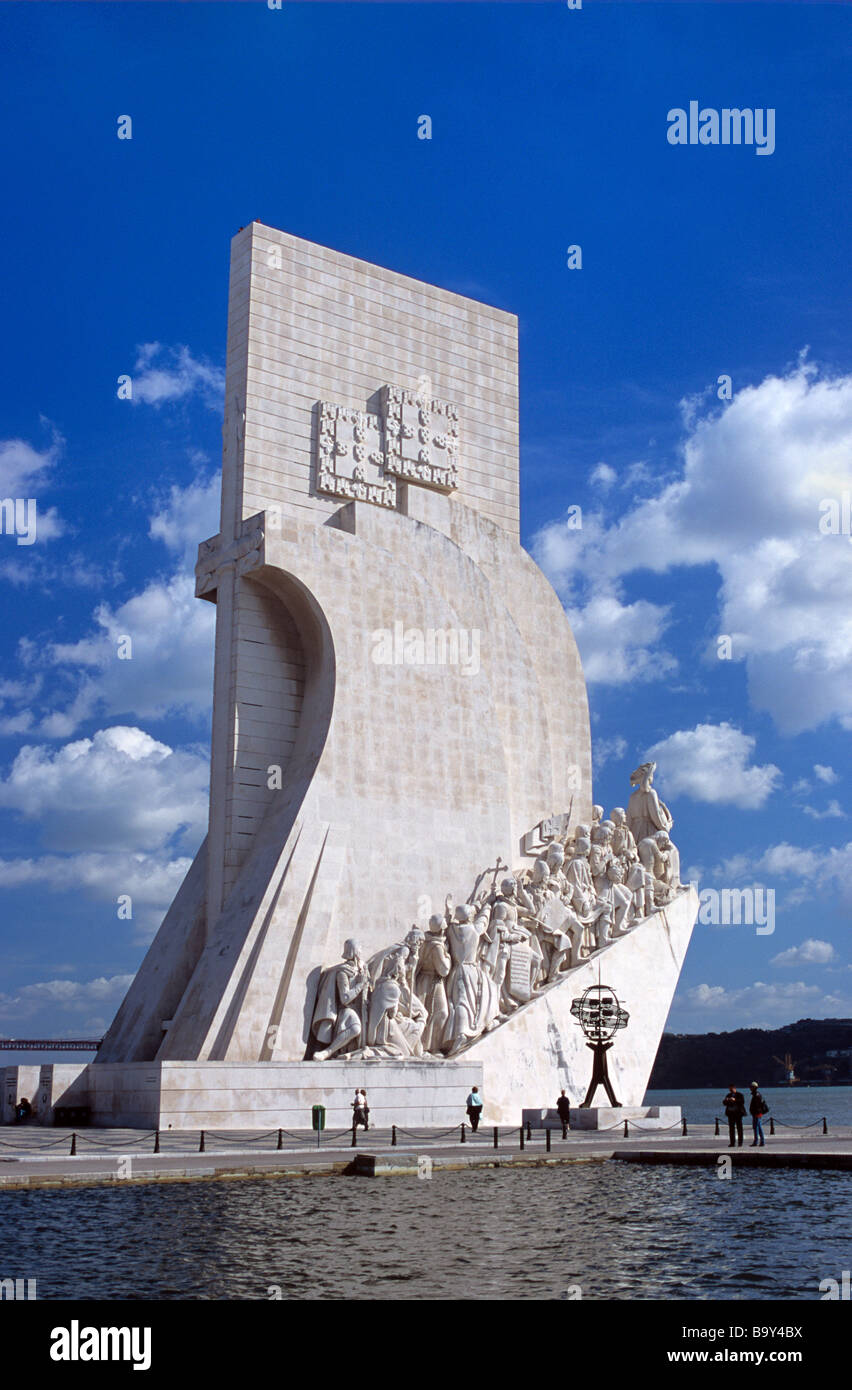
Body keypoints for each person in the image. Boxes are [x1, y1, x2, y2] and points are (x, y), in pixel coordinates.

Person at [749, 1082, 768, 1147]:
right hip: (758, 1113)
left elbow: (757, 1106)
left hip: (757, 1113)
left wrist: (753, 1111)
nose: (750, 1088)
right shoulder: (757, 1094)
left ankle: (756, 1141)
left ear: (754, 1087)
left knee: (756, 1127)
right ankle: (762, 1141)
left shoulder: (756, 1095)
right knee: (759, 1127)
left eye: (751, 1087)